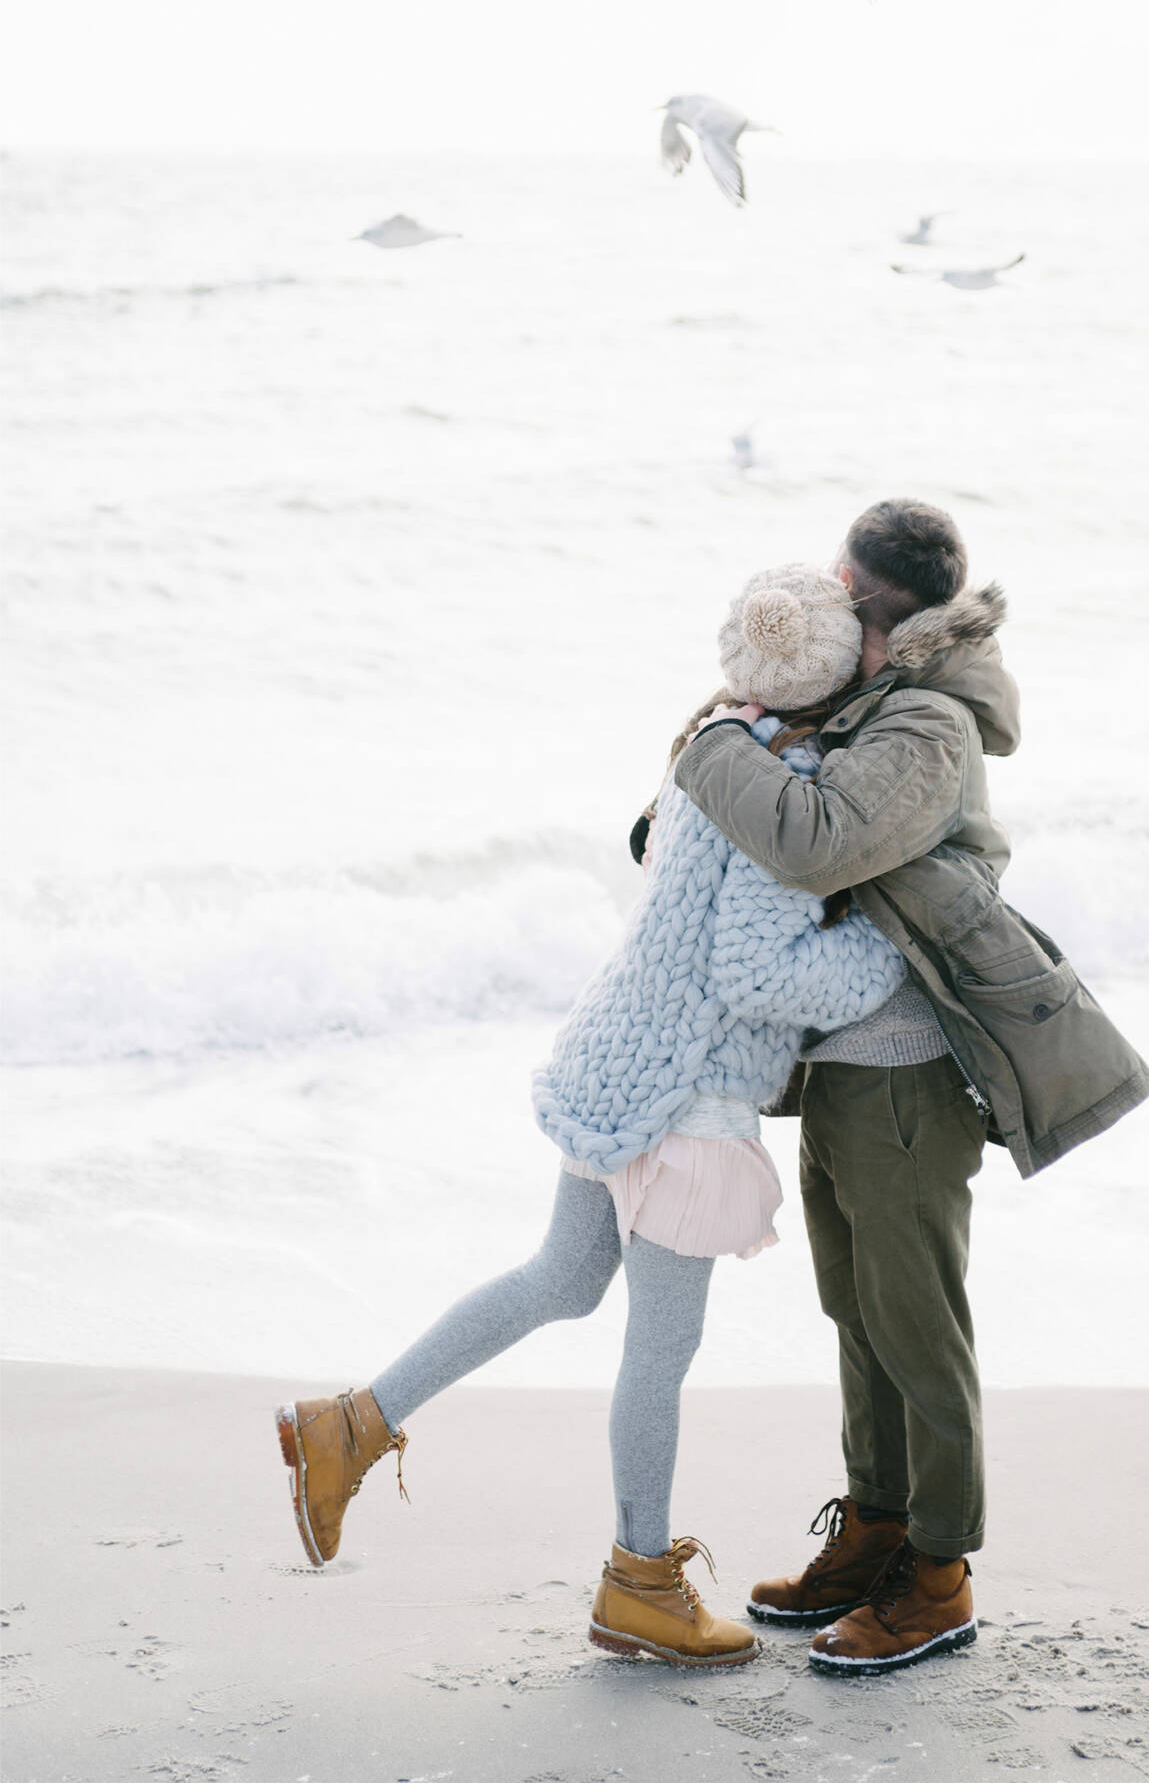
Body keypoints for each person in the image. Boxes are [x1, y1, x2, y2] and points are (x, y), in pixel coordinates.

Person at [273, 562, 908, 1669]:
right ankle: (640, 1581)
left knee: (559, 1280)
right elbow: (759, 966)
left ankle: (353, 1421)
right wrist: (886, 951)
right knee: (657, 1351)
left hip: (616, 1062)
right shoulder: (787, 783)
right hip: (687, 1102)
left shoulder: (712, 739)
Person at [670, 498, 1149, 1678]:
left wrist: (708, 746)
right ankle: (878, 1526)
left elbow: (818, 841)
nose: (825, 596)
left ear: (875, 599)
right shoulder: (875, 698)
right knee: (855, 1311)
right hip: (844, 1067)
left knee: (915, 1324)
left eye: (840, 584)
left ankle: (937, 1572)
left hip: (907, 1071)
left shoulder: (927, 725)